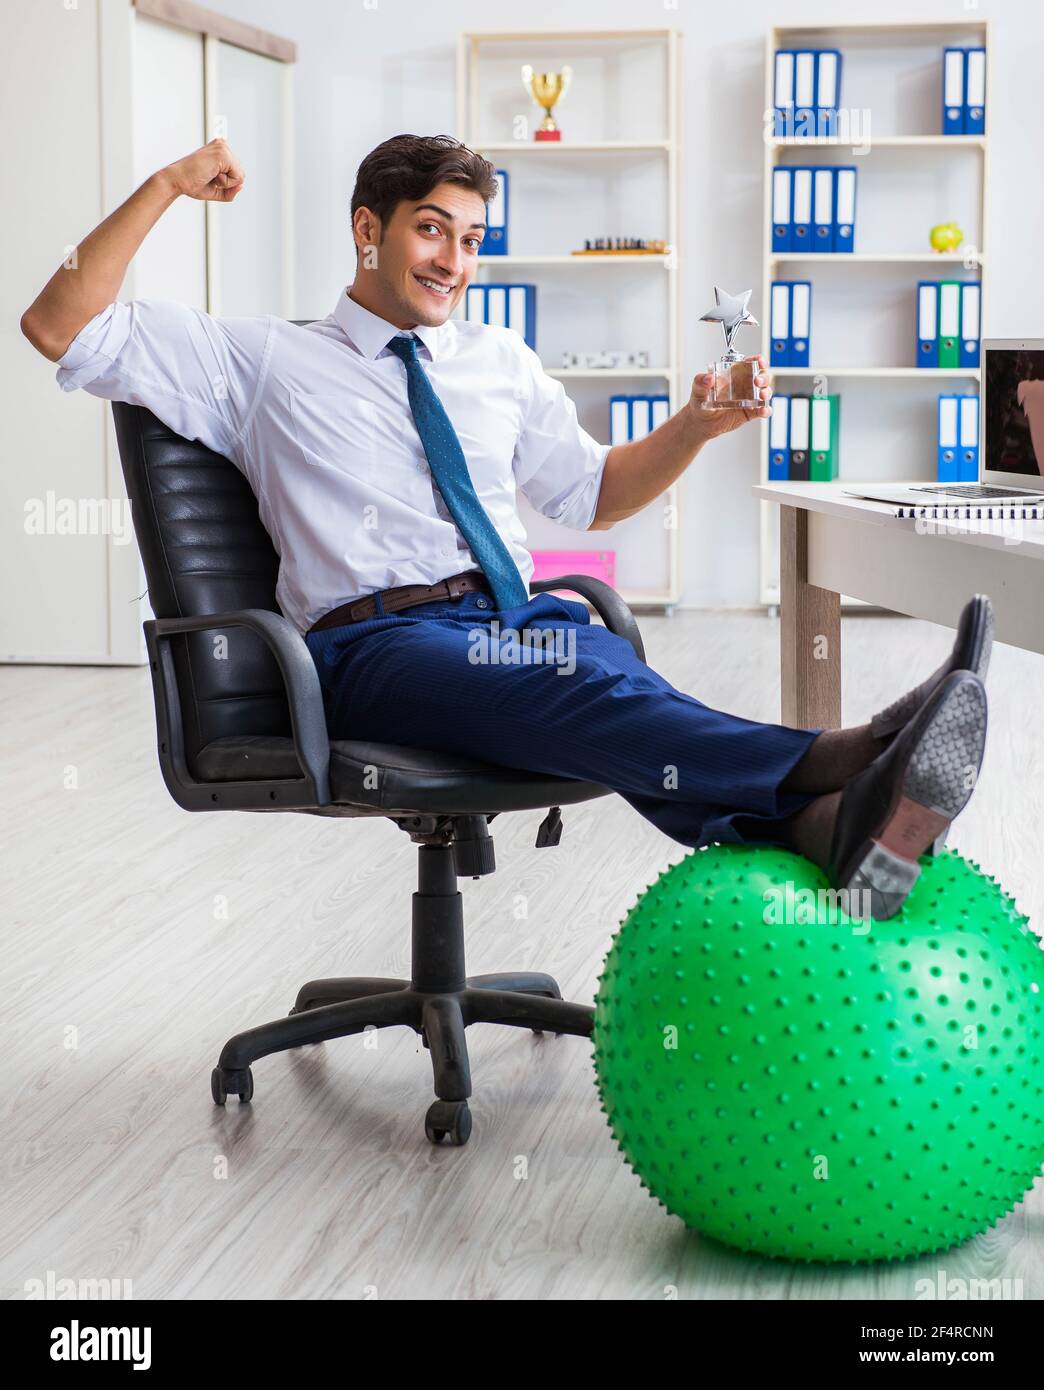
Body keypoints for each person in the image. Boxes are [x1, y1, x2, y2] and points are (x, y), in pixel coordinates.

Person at [20, 133, 990, 920]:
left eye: (474, 238)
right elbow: (59, 321)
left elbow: (592, 495)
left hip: (513, 616)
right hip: (375, 645)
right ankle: (842, 755)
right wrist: (165, 183)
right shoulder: (264, 361)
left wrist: (696, 424)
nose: (455, 260)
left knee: (598, 666)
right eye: (433, 230)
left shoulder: (499, 360)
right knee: (586, 677)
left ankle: (822, 826)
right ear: (369, 228)